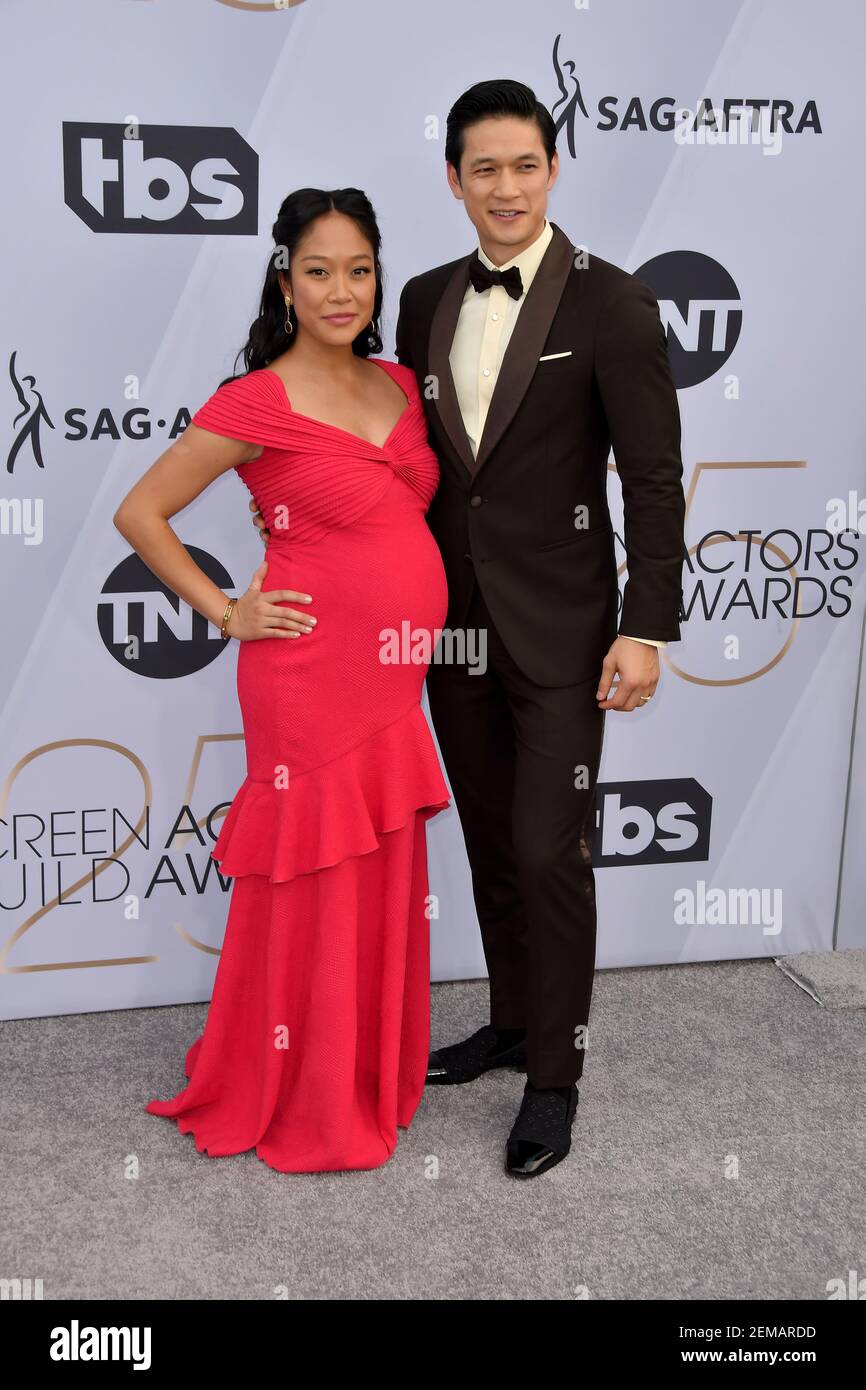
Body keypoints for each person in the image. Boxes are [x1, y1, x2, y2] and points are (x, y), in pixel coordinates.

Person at [251, 80, 687, 1180]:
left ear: (551, 170)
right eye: (481, 168)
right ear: (453, 179)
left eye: (523, 165)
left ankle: (556, 1075)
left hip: (567, 630)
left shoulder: (615, 305)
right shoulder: (425, 300)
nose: (504, 187)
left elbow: (650, 479)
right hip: (448, 634)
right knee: (491, 833)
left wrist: (644, 629)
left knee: (549, 845)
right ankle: (507, 1020)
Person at [114, 188, 451, 1173]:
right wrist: (227, 611)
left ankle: (355, 1071)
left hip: (390, 682)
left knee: (374, 865)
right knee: (314, 871)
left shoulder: (396, 381)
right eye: (318, 271)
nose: (341, 290)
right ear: (284, 279)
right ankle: (295, 1085)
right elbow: (142, 513)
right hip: (305, 679)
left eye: (358, 269)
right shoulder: (254, 400)